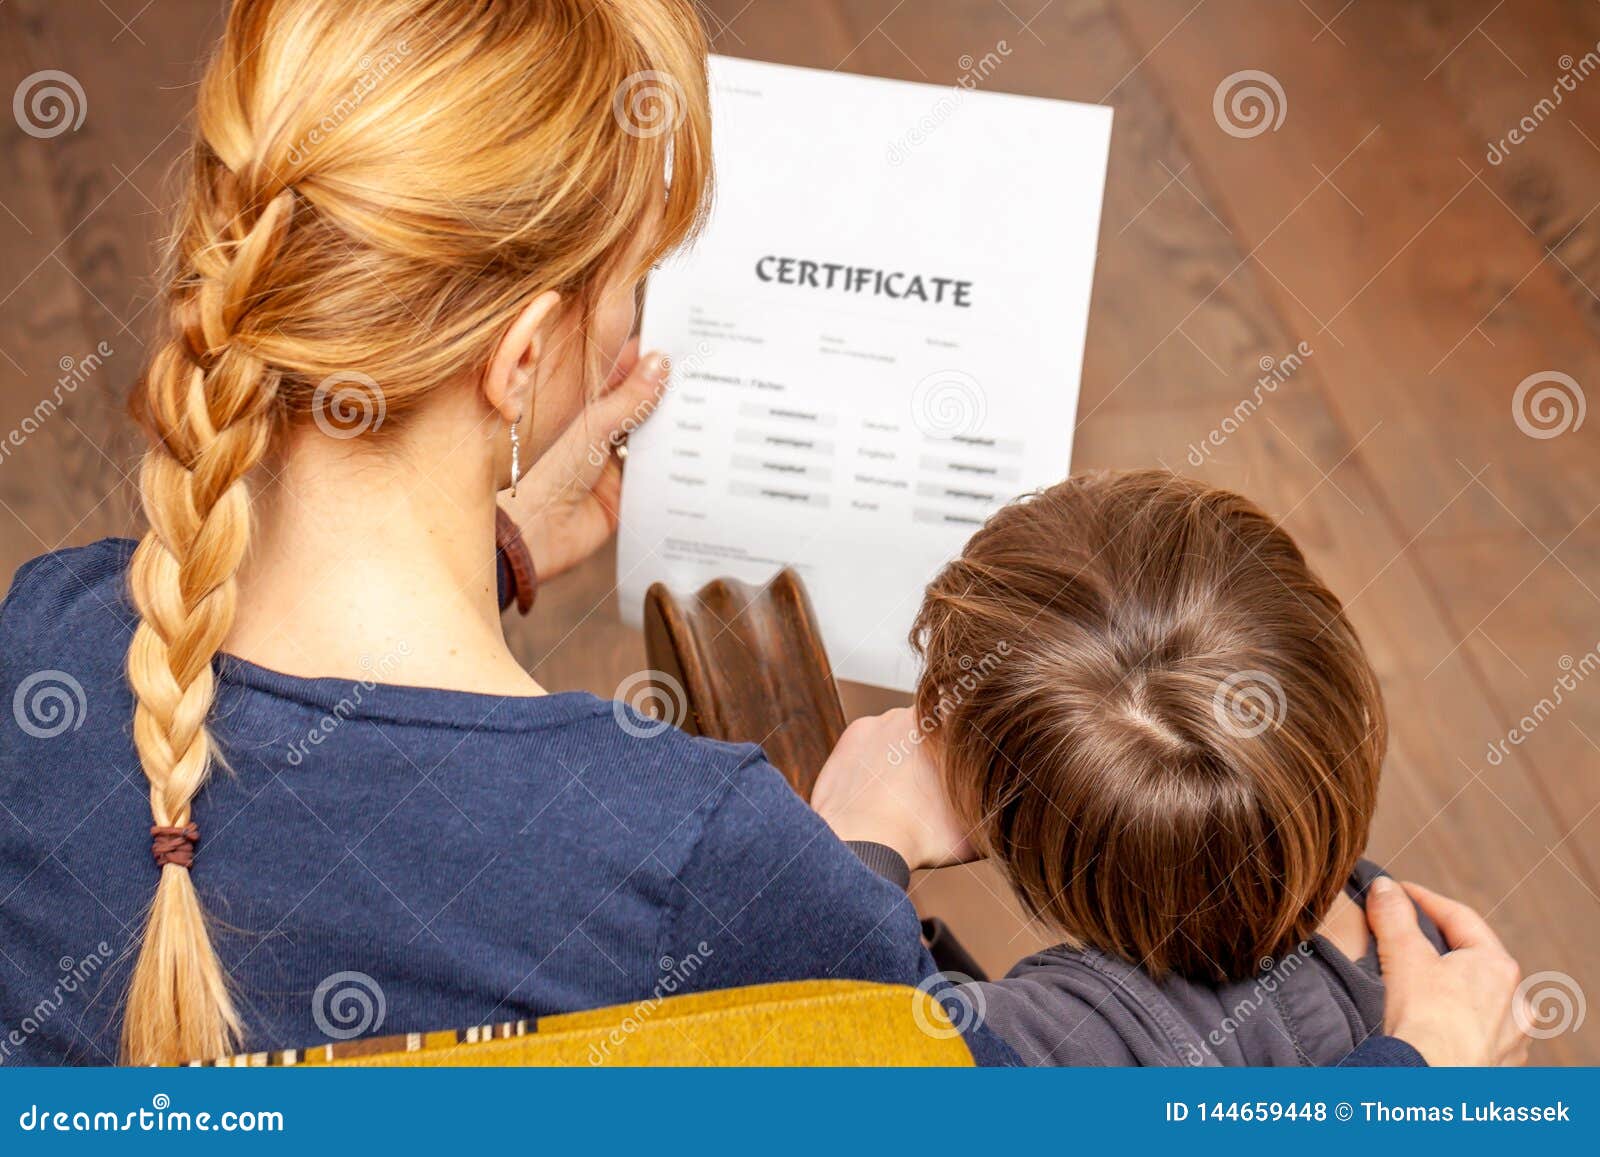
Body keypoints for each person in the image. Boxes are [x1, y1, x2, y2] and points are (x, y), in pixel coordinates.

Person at [0, 0, 1521, 1069]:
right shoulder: (712, 864)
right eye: (630, 287)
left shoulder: (49, 648)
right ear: (521, 359)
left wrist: (496, 547)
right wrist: (1422, 1093)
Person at [814, 471, 1532, 1066]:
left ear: (1005, 824)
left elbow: (814, 1068)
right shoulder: (1444, 975)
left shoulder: (1052, 1042)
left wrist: (857, 845)